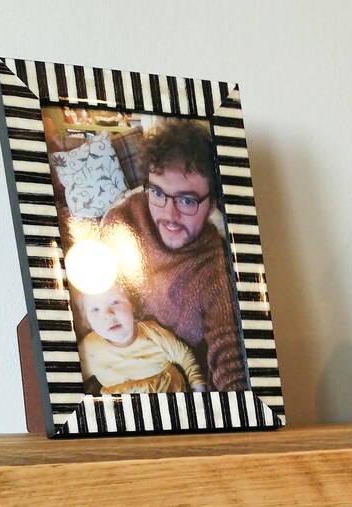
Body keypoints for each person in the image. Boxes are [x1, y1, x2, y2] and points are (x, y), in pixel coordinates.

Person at [101, 119, 247, 392]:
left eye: (186, 200)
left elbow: (228, 352)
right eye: (158, 192)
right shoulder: (121, 223)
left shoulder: (215, 265)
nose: (169, 215)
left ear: (212, 204)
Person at [78, 284, 207, 395]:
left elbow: (183, 355)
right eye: (95, 309)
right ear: (87, 321)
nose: (108, 314)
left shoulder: (152, 332)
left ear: (131, 305)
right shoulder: (89, 348)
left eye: (115, 302)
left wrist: (198, 385)